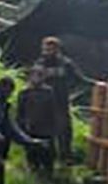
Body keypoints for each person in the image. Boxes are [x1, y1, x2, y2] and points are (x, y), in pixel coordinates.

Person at [25, 36, 87, 165]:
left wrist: (75, 93)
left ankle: (66, 157)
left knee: (64, 130)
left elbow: (80, 79)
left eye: (50, 50)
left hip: (61, 102)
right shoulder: (39, 64)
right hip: (43, 105)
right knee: (45, 132)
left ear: (57, 49)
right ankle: (46, 159)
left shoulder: (66, 63)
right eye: (45, 49)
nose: (47, 52)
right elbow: (31, 82)